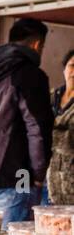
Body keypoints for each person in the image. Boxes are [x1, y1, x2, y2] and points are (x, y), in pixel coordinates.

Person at [0, 17, 54, 225]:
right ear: (37, 44)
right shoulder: (29, 74)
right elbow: (38, 128)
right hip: (19, 176)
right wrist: (38, 175)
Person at [45, 49, 74, 204]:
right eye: (72, 66)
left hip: (67, 186)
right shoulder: (49, 97)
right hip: (38, 180)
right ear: (64, 70)